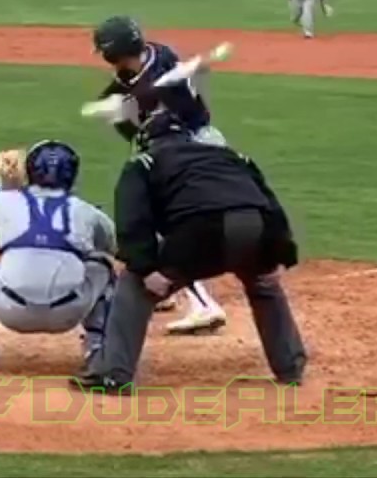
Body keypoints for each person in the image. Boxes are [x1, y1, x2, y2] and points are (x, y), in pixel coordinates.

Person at [75, 114, 307, 393]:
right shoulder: (233, 157)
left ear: (147, 140)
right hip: (257, 226)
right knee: (263, 283)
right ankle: (290, 367)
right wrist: (281, 252)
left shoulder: (144, 163)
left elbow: (133, 220)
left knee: (134, 286)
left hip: (201, 234)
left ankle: (113, 374)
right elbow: (269, 202)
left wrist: (147, 268)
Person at [90, 15, 229, 335]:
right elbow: (135, 132)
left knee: (170, 227)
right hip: (185, 148)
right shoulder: (151, 63)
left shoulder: (158, 71)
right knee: (156, 221)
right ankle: (171, 289)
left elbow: (160, 115)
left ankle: (203, 305)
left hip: (190, 150)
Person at [0, 140, 117, 371]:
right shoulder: (86, 211)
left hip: (11, 310)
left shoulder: (5, 200)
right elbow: (115, 247)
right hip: (70, 312)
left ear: (30, 171)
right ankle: (99, 348)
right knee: (103, 267)